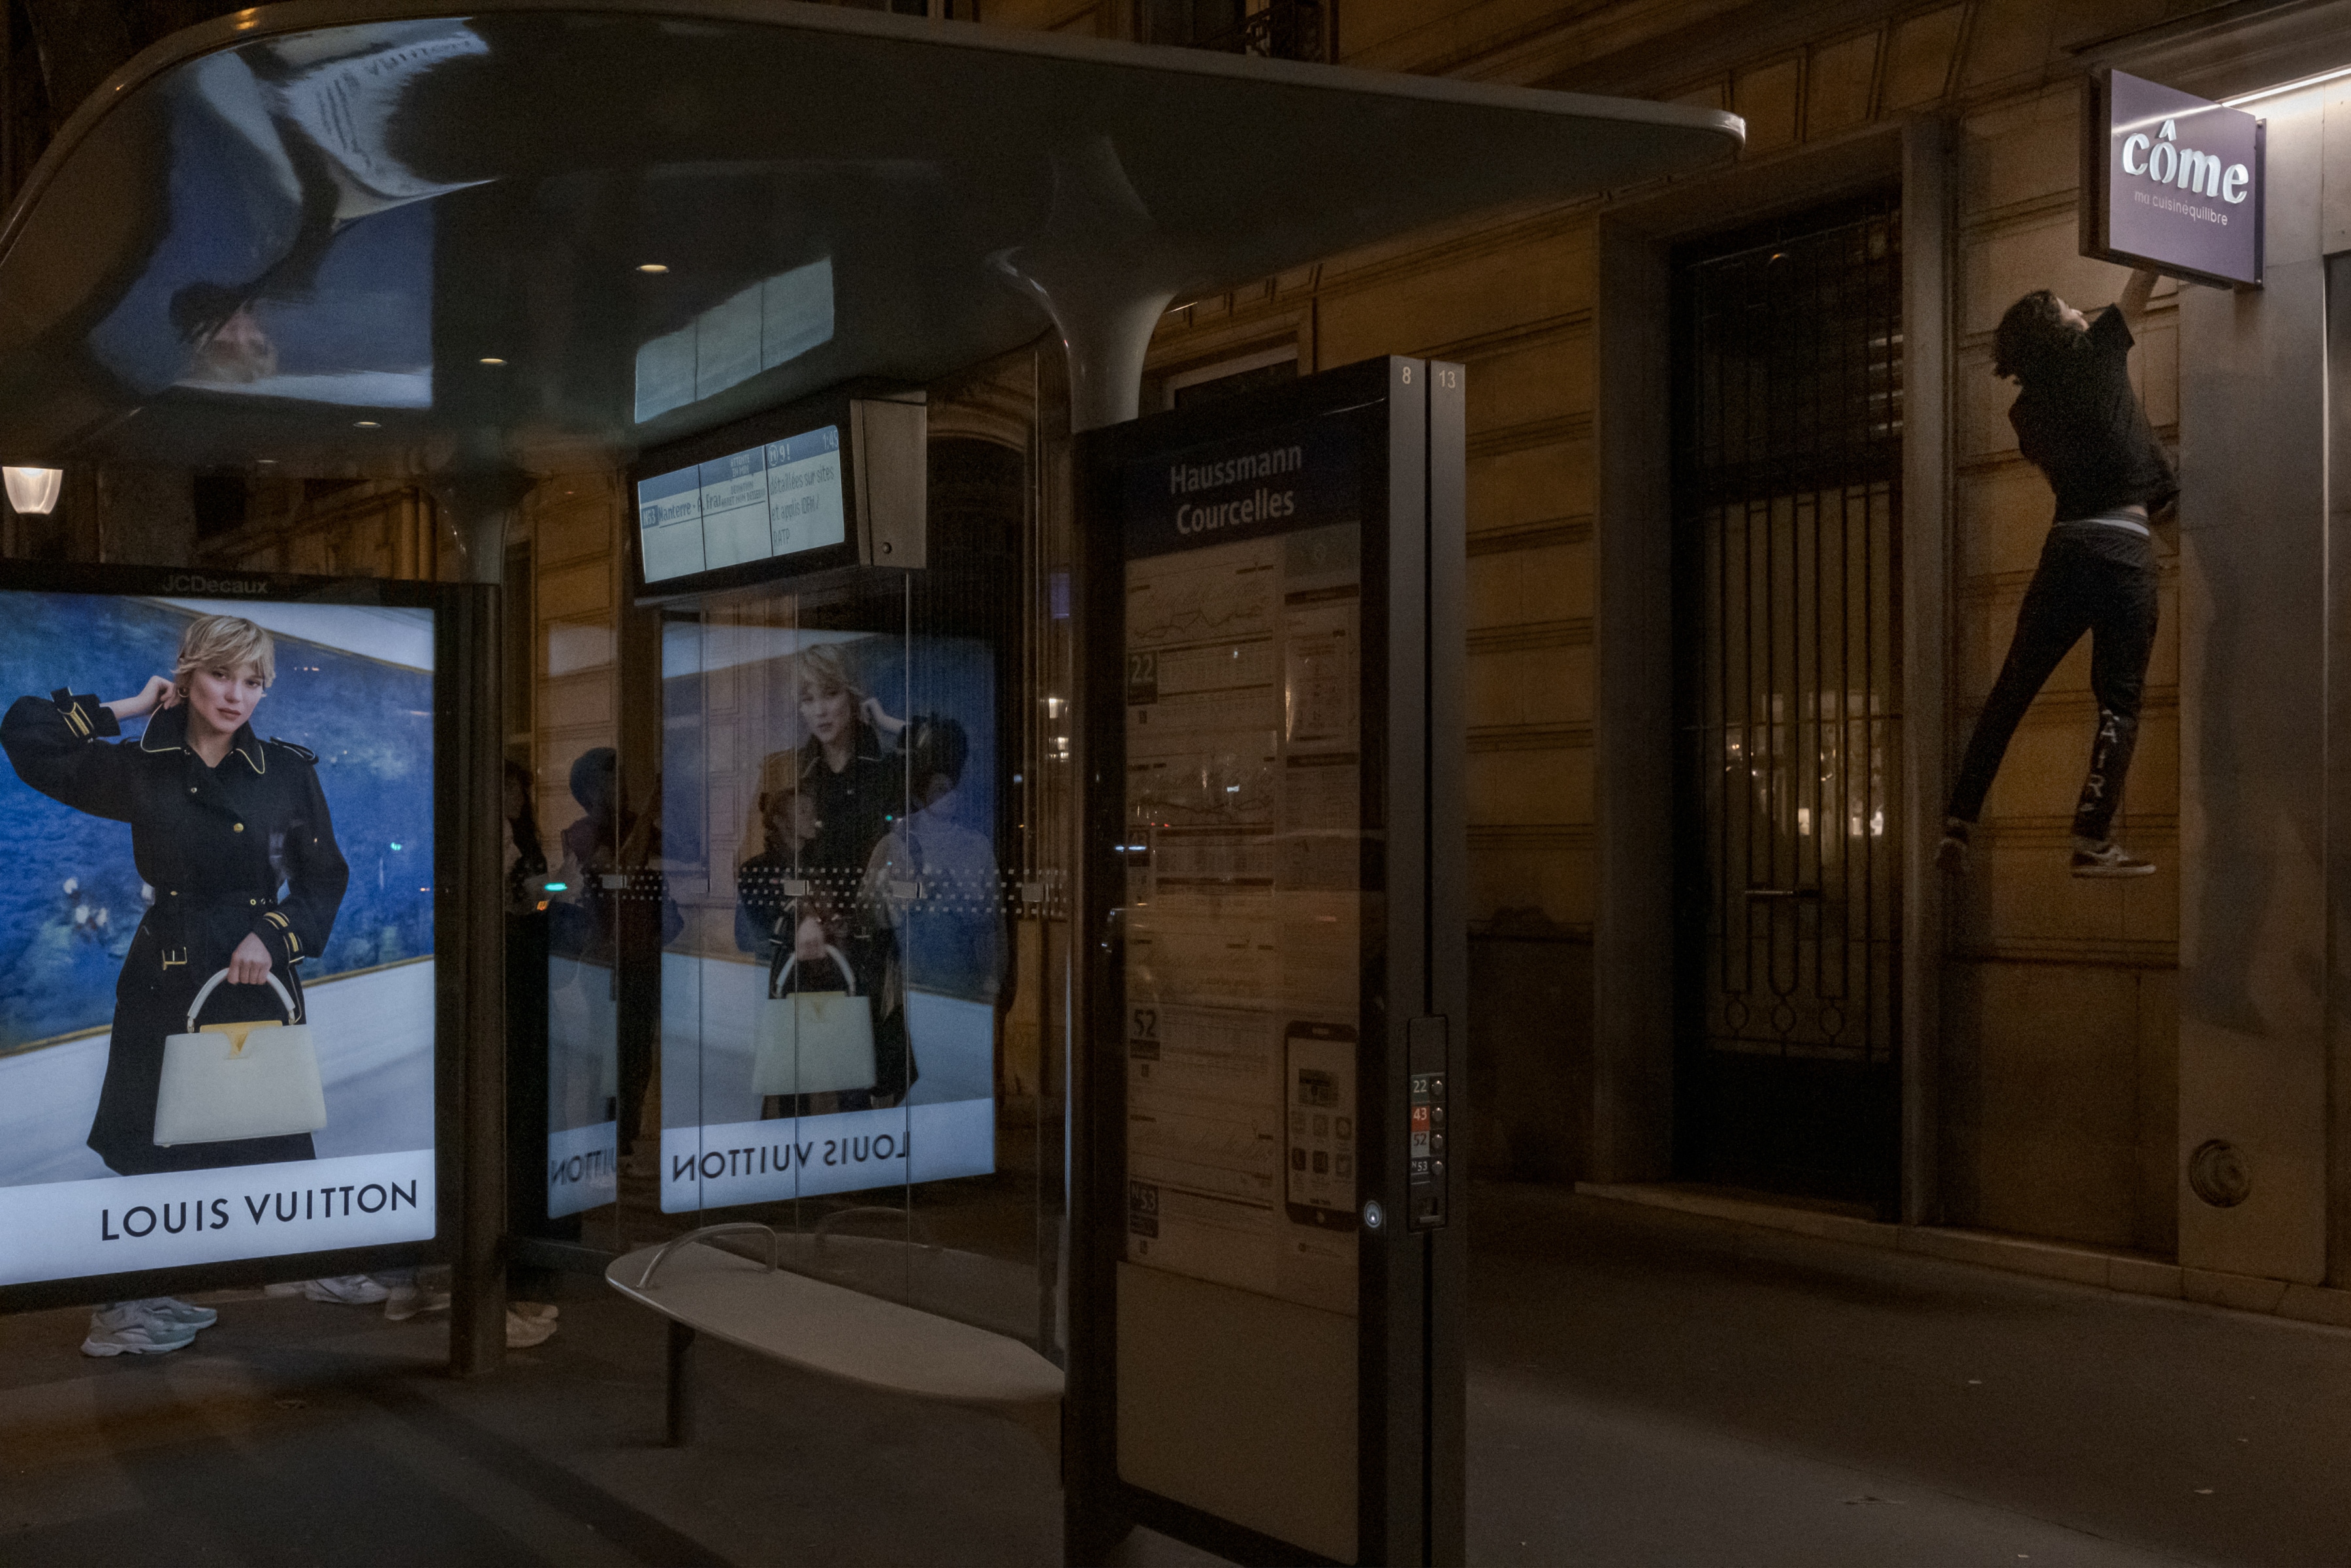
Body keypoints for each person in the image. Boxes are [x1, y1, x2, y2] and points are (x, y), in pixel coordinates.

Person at [2, 614, 351, 1354]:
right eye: (222, 675)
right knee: (155, 1142)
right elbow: (29, 736)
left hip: (259, 973)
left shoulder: (287, 768)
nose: (238, 695)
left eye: (254, 681)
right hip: (168, 968)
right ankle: (127, 1307)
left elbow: (323, 878)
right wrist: (127, 707)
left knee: (267, 1123)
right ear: (188, 676)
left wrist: (274, 934)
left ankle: (323, 1260)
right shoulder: (140, 763)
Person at [1938, 266, 2175, 879]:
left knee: (2013, 687)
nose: (2081, 310)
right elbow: (2144, 276)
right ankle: (2092, 839)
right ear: (2060, 330)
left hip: (2066, 550)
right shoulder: (2098, 351)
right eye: (2070, 307)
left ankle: (1959, 822)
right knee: (2117, 703)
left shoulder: (2028, 418)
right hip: (2124, 547)